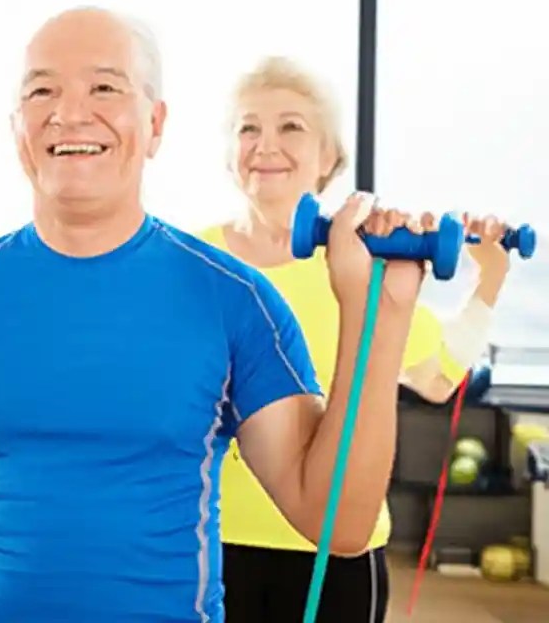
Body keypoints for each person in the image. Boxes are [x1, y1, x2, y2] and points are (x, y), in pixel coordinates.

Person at [0, 6, 434, 622]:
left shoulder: (233, 298)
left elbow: (339, 523)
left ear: (155, 124)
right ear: (16, 128)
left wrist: (380, 314)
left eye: (105, 87)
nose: (70, 114)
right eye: (43, 93)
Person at [201, 55, 512, 622]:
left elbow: (438, 379)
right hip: (207, 543)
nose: (265, 144)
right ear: (228, 154)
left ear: (329, 158)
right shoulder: (188, 262)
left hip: (334, 548)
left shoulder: (361, 270)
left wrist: (488, 277)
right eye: (248, 127)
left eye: (291, 126)